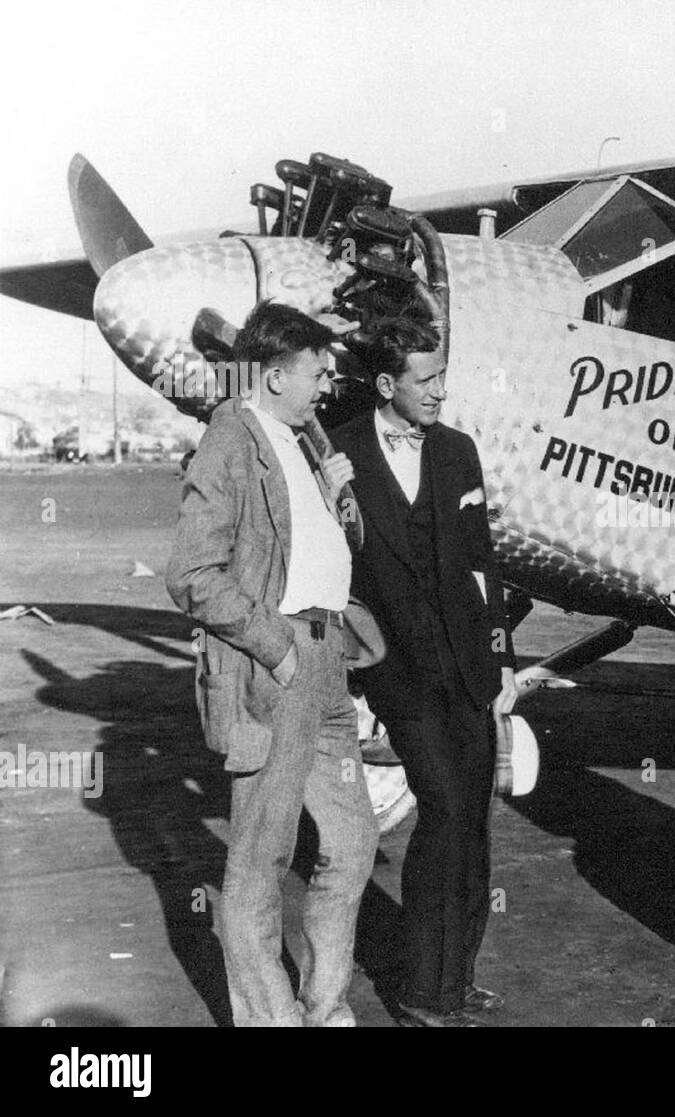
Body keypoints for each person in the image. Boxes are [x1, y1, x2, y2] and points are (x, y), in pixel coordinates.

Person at [166, 301, 378, 1027]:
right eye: (317, 372)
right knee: (260, 859)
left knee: (353, 843)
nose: (327, 385)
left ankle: (324, 1006)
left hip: (327, 665)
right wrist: (277, 646)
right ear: (277, 372)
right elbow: (193, 572)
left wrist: (336, 496)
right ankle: (270, 1020)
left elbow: (310, 549)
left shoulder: (298, 442)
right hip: (276, 664)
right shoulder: (232, 439)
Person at [331, 316, 517, 1028]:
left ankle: (459, 976)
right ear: (386, 384)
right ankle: (423, 991)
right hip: (398, 671)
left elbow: (482, 560)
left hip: (468, 663)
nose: (440, 390)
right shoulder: (341, 454)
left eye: (443, 375)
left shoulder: (457, 452)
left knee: (471, 818)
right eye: (426, 379)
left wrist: (503, 658)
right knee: (441, 806)